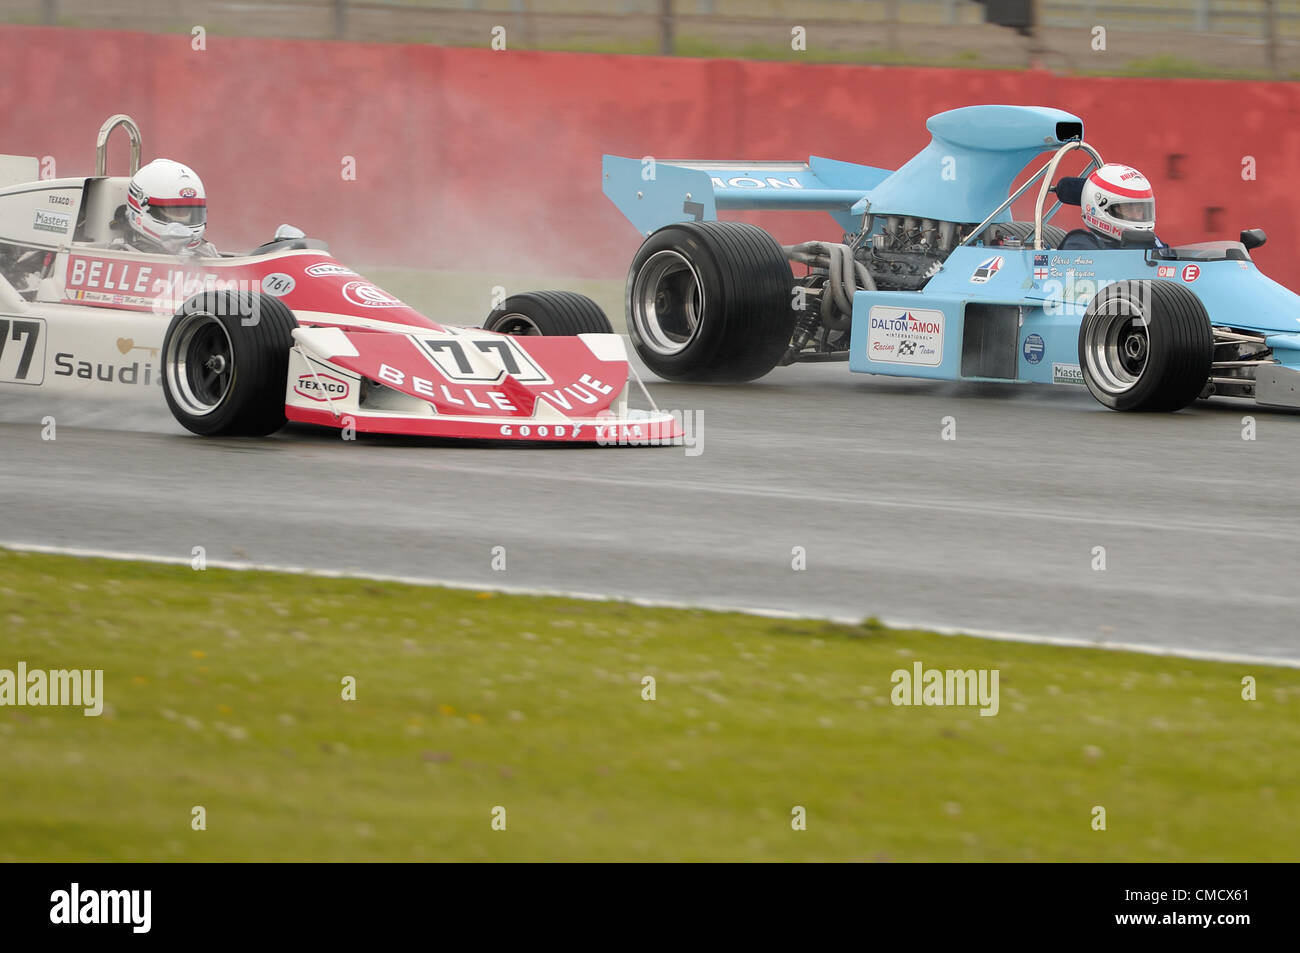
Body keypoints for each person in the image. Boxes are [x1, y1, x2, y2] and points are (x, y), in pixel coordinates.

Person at [109, 158, 218, 256]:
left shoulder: (208, 253)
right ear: (142, 207)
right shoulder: (120, 255)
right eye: (177, 212)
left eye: (189, 212)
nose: (183, 225)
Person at [1058, 164, 1157, 251]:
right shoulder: (1080, 244)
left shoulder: (1150, 241)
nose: (1137, 216)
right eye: (1129, 209)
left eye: (1140, 210)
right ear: (1100, 207)